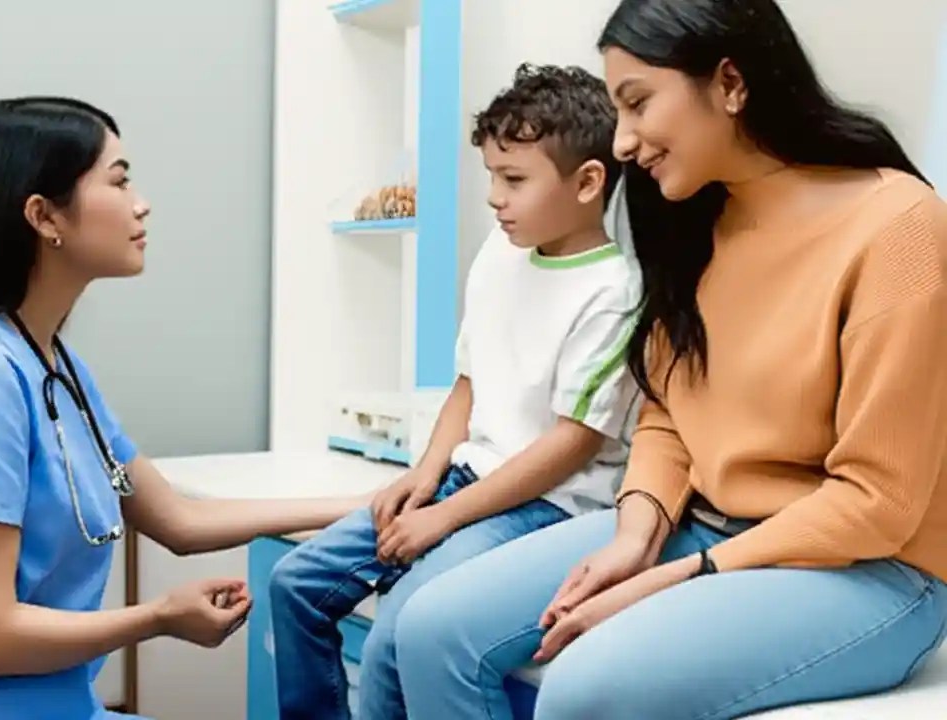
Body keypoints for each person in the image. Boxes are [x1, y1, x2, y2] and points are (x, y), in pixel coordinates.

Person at [390, 1, 947, 718]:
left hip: (870, 569)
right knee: (430, 632)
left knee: (584, 690)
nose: (622, 141)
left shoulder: (898, 226)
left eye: (637, 103)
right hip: (704, 523)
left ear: (730, 84)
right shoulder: (694, 222)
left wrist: (679, 575)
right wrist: (636, 534)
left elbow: (879, 505)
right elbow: (667, 410)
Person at [0, 97, 370, 720]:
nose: (141, 203)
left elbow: (177, 519)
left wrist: (378, 506)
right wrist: (158, 618)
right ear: (43, 216)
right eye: (119, 180)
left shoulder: (55, 368)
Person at [268, 63, 642, 720]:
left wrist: (444, 518)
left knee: (392, 639)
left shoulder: (614, 292)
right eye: (492, 177)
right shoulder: (500, 255)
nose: (495, 198)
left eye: (515, 180)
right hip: (463, 479)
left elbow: (571, 445)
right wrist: (426, 473)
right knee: (296, 583)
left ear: (588, 182)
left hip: (545, 508)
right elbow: (468, 383)